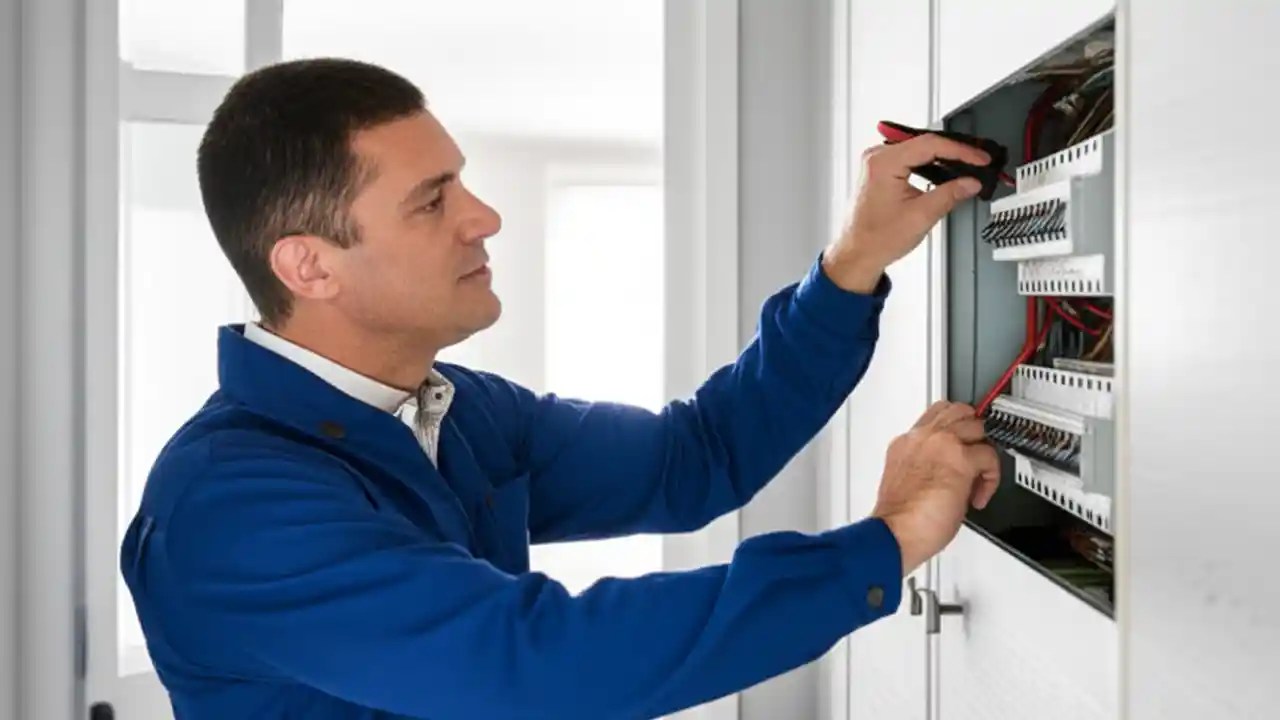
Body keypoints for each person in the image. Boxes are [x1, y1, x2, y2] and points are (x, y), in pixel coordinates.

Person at [120, 58, 999, 720]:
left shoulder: (453, 409)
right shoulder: (232, 506)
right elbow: (533, 663)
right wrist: (884, 543)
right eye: (432, 202)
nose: (483, 216)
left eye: (459, 179)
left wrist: (851, 267)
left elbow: (693, 460)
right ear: (309, 266)